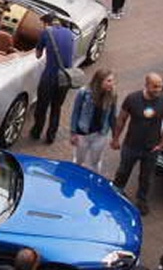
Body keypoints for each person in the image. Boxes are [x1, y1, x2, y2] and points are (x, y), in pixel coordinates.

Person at [111, 71, 163, 214]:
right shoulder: (132, 99)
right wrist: (115, 139)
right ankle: (116, 193)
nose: (158, 90)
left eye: (160, 86)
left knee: (146, 177)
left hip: (151, 149)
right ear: (146, 85)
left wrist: (161, 145)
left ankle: (142, 200)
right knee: (123, 172)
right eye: (155, 86)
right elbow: (121, 120)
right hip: (131, 145)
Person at [30, 14, 78, 143]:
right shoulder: (70, 33)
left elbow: (38, 55)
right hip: (65, 78)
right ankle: (51, 136)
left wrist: (42, 47)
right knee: (56, 107)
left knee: (42, 106)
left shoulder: (46, 32)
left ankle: (36, 132)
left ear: (47, 23)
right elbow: (71, 54)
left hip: (50, 76)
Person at [68, 67, 119, 173]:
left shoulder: (112, 95)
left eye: (112, 80)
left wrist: (115, 136)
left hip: (100, 134)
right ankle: (75, 175)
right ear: (100, 81)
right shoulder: (83, 92)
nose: (112, 84)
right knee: (79, 160)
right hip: (83, 132)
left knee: (95, 161)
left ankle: (92, 178)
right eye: (109, 81)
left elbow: (112, 116)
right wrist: (73, 133)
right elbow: (76, 112)